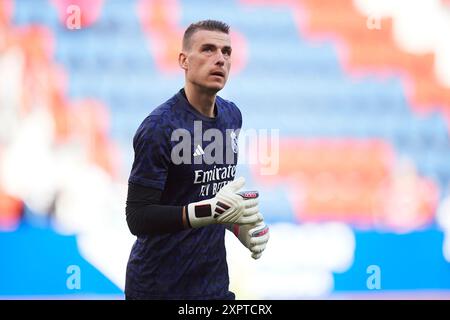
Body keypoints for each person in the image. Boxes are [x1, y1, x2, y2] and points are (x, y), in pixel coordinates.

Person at [125, 20, 269, 300]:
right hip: (158, 288)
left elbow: (213, 198)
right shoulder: (159, 127)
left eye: (226, 52)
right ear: (183, 60)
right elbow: (138, 217)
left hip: (212, 285)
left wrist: (240, 226)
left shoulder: (232, 117)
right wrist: (209, 212)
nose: (220, 59)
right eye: (208, 49)